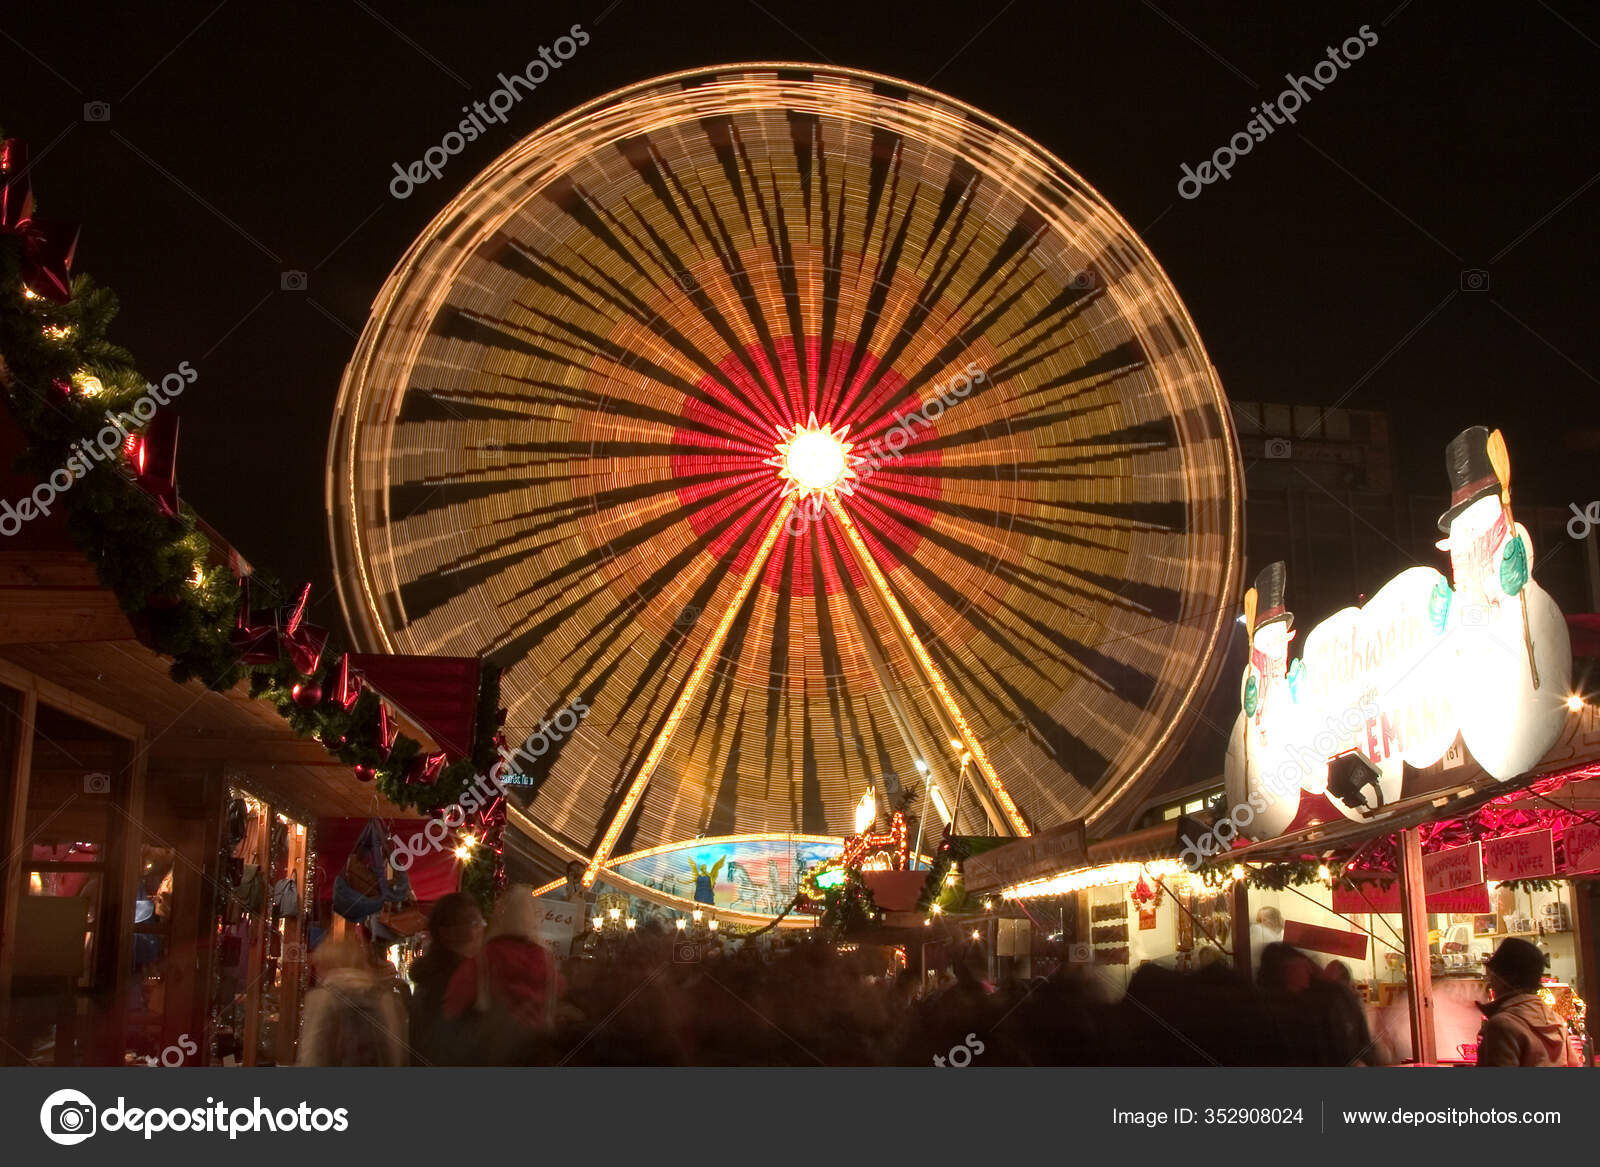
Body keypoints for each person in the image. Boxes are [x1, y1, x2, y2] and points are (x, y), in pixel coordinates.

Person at [444, 886, 564, 1059]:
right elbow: (559, 989)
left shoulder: (484, 959)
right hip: (535, 1054)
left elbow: (453, 1005)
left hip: (490, 1053)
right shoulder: (546, 960)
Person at [297, 934, 408, 1066]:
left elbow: (310, 1056)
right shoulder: (385, 998)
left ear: (326, 964)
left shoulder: (321, 998)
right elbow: (397, 1053)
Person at [1475, 937, 1579, 1067]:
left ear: (1501, 979)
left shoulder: (1502, 1025)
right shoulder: (1556, 1020)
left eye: (1491, 976)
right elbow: (1575, 1065)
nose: (1490, 983)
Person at [407, 893, 485, 1064]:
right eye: (473, 923)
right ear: (447, 932)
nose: (481, 929)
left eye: (480, 922)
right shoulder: (452, 981)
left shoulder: (432, 976)